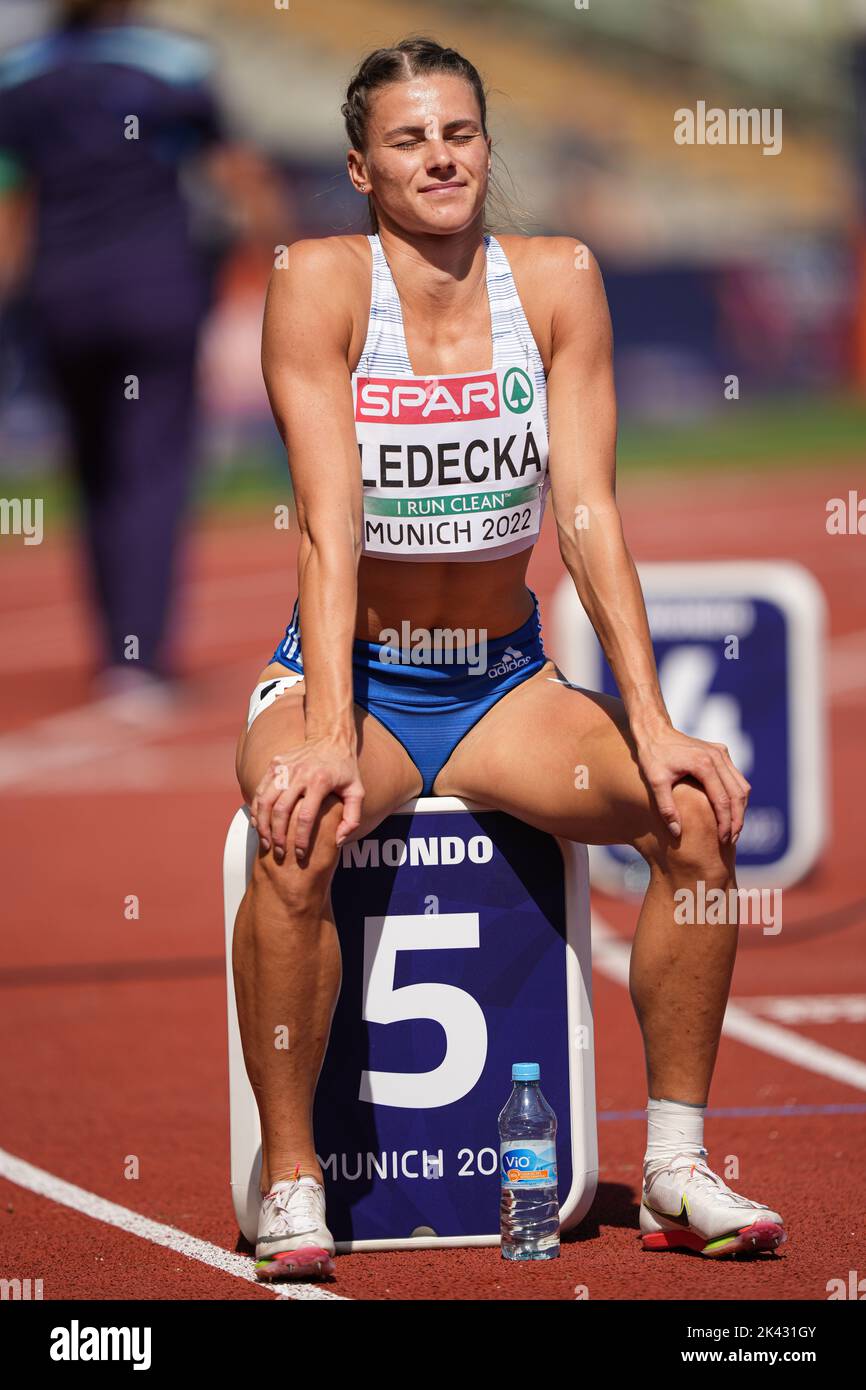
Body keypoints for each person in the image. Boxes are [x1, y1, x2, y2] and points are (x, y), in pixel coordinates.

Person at [234, 37, 786, 1281]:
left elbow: (585, 513)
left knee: (690, 811)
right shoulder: (318, 282)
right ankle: (290, 1179)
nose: (439, 155)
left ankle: (675, 1163)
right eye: (408, 138)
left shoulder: (556, 277)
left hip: (500, 686)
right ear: (360, 167)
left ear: (487, 146)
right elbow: (330, 526)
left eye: (459, 132)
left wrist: (648, 719)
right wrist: (326, 733)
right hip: (359, 683)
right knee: (295, 831)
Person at [0, 0, 278, 708]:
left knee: (93, 472)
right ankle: (139, 658)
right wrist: (283, 256)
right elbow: (235, 173)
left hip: (60, 295)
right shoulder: (174, 62)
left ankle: (116, 649)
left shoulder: (19, 73)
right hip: (156, 290)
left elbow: (10, 200)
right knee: (151, 470)